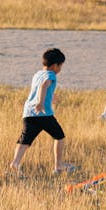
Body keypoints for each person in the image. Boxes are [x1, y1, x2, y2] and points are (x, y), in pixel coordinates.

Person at [9, 47, 73, 176]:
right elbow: (44, 85)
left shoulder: (37, 74)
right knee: (59, 137)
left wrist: (51, 97)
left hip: (29, 113)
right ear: (55, 66)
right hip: (43, 114)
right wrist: (41, 102)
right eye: (61, 66)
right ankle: (58, 166)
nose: (60, 69)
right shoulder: (51, 75)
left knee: (25, 140)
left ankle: (15, 163)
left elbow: (41, 88)